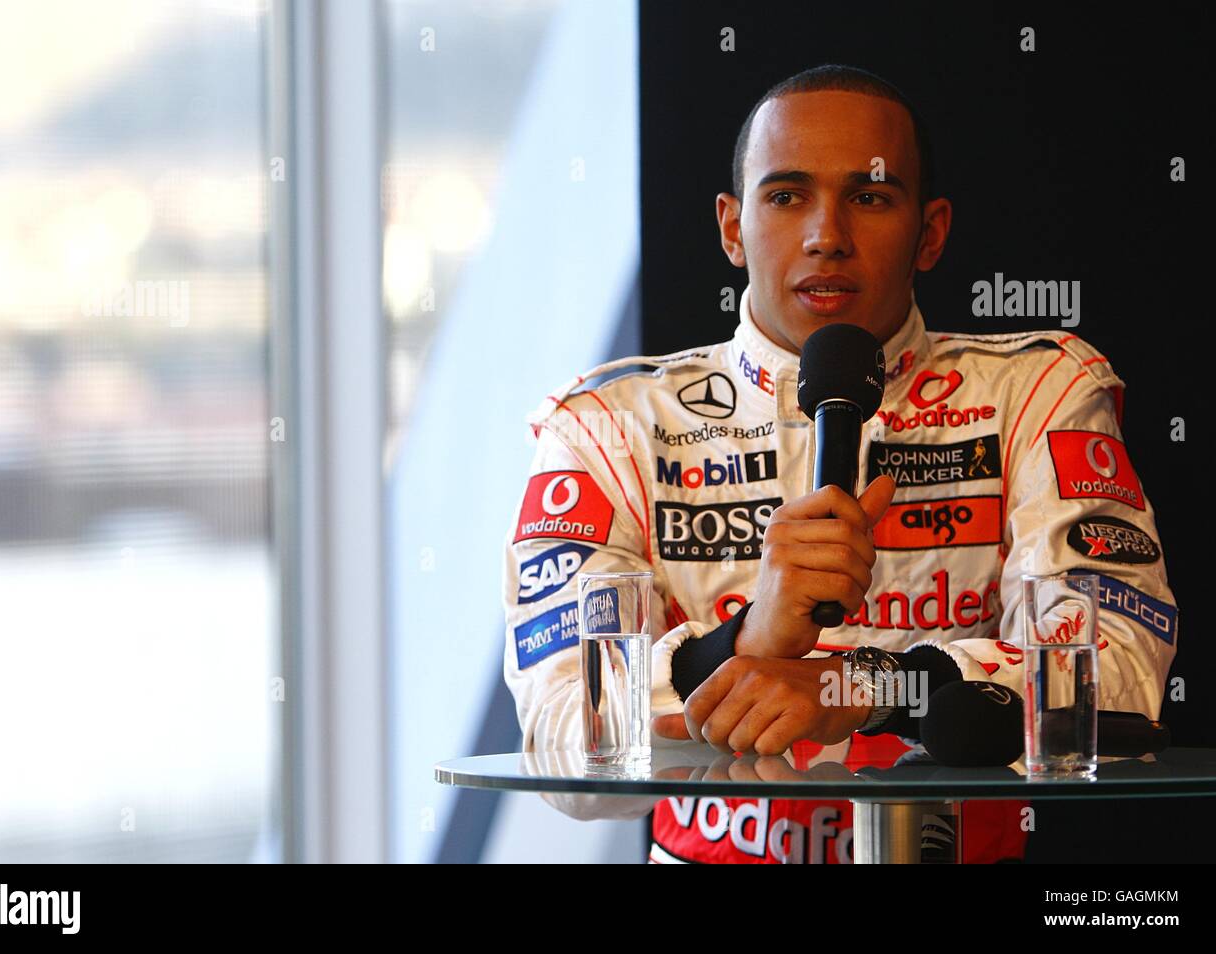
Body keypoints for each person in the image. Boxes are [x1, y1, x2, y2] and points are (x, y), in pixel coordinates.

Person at [501, 65, 1178, 863]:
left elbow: (1115, 678)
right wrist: (745, 641)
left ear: (930, 233)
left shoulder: (1037, 394)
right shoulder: (608, 427)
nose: (827, 234)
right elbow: (563, 753)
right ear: (731, 226)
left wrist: (861, 690)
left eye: (870, 195)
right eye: (786, 195)